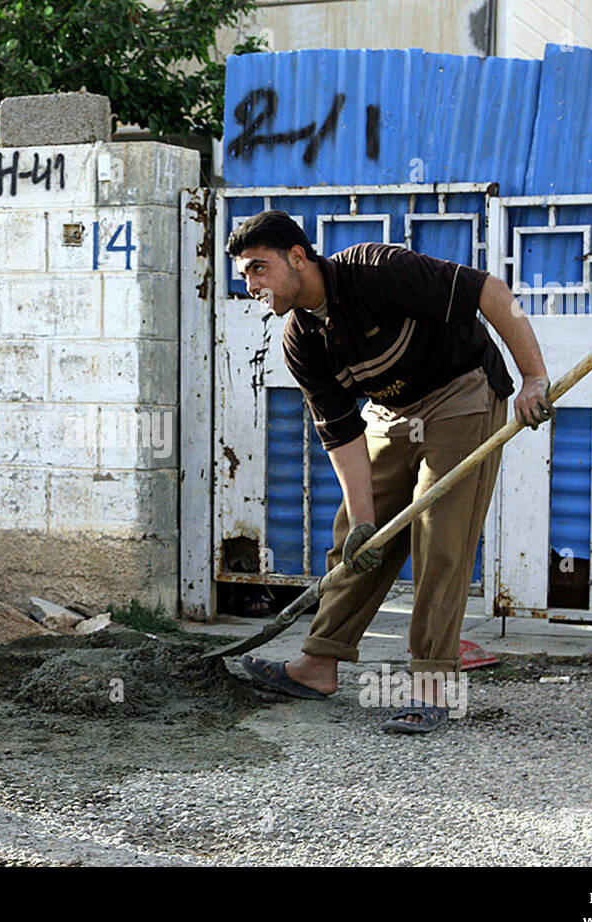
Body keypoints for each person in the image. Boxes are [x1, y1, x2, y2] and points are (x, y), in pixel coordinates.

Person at [228, 210, 551, 733]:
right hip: (390, 413)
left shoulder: (376, 269)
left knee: (438, 534)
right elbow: (341, 432)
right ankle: (318, 663)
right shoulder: (300, 339)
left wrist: (533, 376)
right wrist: (363, 521)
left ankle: (430, 684)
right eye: (244, 275)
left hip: (461, 392)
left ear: (297, 257)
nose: (251, 285)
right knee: (355, 540)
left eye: (259, 269)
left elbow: (491, 291)